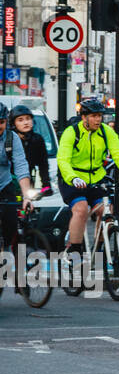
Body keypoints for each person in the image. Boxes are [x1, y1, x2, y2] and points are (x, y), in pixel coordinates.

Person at [56, 98, 119, 262]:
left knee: (107, 211)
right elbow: (63, 160)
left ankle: (99, 246)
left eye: (100, 115)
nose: (98, 119)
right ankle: (75, 250)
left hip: (96, 178)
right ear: (84, 117)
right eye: (94, 116)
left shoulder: (106, 132)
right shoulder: (72, 132)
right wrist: (73, 177)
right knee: (81, 210)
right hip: (72, 179)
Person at [0, 103, 39, 259]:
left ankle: (8, 250)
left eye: (1, 122)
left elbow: (21, 166)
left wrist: (27, 197)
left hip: (5, 186)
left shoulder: (11, 138)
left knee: (10, 224)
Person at [8, 105, 50, 196]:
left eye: (28, 118)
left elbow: (43, 164)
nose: (25, 122)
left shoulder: (37, 140)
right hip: (8, 182)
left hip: (28, 182)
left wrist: (46, 185)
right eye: (20, 120)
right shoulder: (8, 140)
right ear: (13, 123)